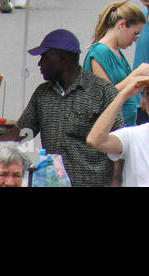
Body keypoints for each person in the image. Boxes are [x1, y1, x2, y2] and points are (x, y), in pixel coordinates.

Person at [16, 28, 123, 187]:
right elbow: (21, 132)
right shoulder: (42, 94)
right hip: (53, 183)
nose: (39, 64)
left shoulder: (102, 91)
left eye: (44, 57)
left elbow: (120, 142)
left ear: (62, 58)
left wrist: (116, 181)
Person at [82, 1, 144, 127]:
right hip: (109, 130)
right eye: (135, 33)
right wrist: (136, 75)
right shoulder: (100, 52)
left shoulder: (117, 51)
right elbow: (105, 95)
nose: (136, 39)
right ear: (121, 25)